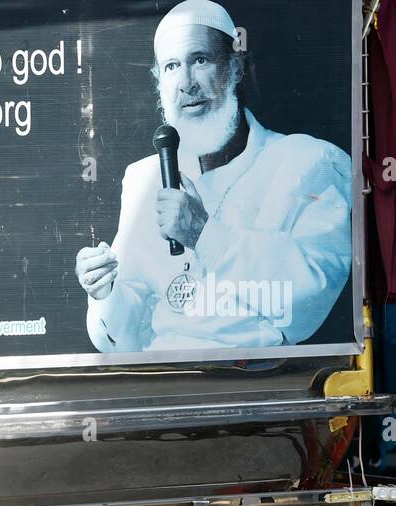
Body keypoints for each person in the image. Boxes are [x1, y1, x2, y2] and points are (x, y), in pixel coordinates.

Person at [74, 0, 353, 354]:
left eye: (200, 60)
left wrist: (205, 235)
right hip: (161, 381)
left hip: (259, 381)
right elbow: (124, 338)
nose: (186, 83)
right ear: (159, 82)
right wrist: (105, 292)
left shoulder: (308, 161)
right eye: (172, 66)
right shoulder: (144, 177)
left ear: (236, 68)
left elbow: (308, 302)